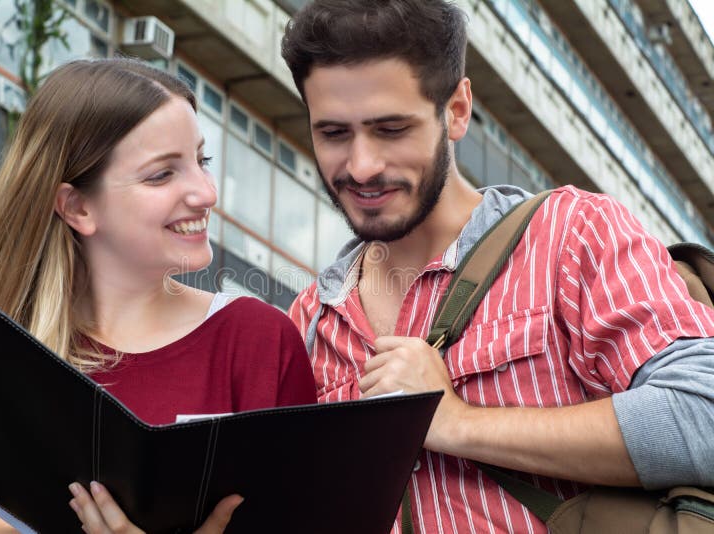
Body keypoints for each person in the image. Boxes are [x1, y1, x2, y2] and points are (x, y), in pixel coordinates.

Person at [281, 1, 714, 532]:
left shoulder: (573, 233)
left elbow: (704, 417)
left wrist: (456, 422)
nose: (362, 166)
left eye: (392, 129)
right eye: (333, 134)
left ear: (457, 110)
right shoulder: (307, 323)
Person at [0, 58, 316, 534]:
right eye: (161, 175)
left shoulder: (258, 342)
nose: (206, 192)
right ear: (78, 207)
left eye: (201, 161)